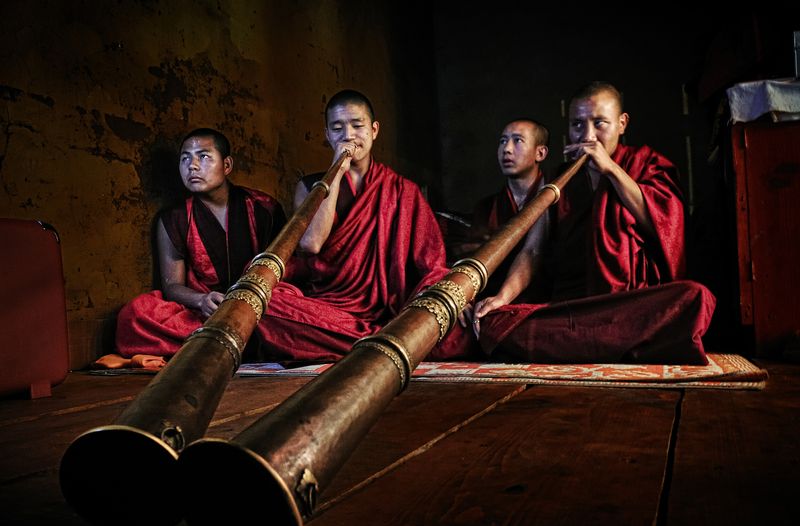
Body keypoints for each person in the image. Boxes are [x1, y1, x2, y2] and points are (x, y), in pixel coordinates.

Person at [471, 81, 716, 365]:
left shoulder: (645, 165)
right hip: (576, 310)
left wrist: (610, 169)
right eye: (577, 125)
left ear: (622, 123)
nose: (588, 136)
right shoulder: (558, 181)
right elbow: (533, 251)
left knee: (694, 297)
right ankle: (622, 345)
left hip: (630, 304)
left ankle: (592, 345)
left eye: (600, 123)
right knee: (497, 323)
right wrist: (502, 298)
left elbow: (661, 225)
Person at [256, 89, 475, 362]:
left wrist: (452, 295)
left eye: (357, 126)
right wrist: (336, 172)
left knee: (452, 325)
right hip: (326, 307)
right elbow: (311, 244)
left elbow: (431, 261)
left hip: (389, 309)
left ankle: (380, 339)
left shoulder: (401, 190)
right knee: (264, 304)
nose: (348, 135)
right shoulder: (309, 186)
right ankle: (390, 343)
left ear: (374, 130)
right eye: (337, 128)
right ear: (327, 135)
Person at [114, 128, 287, 359]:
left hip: (263, 309)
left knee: (296, 311)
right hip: (206, 314)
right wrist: (201, 300)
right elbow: (172, 285)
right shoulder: (174, 218)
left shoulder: (263, 208)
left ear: (227, 165)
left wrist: (252, 301)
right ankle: (235, 342)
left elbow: (288, 271)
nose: (192, 166)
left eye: (203, 156)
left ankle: (221, 343)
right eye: (185, 158)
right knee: (134, 314)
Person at [465, 118, 549, 297]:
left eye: (518, 140)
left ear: (540, 153)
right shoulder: (486, 208)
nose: (507, 149)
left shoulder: (557, 199)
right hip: (496, 300)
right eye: (503, 141)